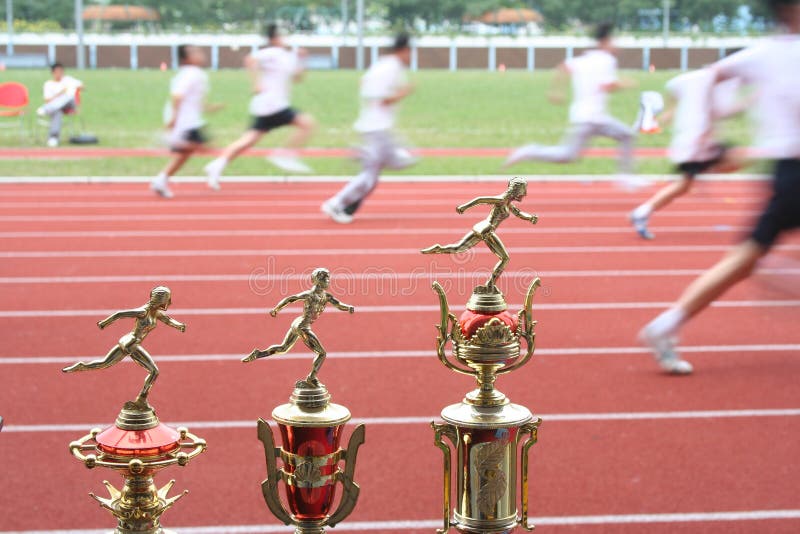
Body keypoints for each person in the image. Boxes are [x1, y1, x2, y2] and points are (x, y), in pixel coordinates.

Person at [640, 0, 800, 375]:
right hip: (793, 170)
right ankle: (668, 323)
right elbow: (712, 75)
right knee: (744, 258)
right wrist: (711, 126)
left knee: (744, 259)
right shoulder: (777, 52)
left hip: (786, 170)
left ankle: (667, 324)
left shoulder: (764, 53)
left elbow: (712, 75)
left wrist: (711, 122)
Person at [504, 23, 638, 183]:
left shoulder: (584, 59)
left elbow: (563, 67)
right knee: (569, 154)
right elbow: (607, 85)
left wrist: (556, 90)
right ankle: (529, 151)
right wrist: (626, 84)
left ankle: (626, 177)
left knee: (623, 136)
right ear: (604, 42)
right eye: (613, 41)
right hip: (593, 117)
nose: (617, 45)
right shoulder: (607, 60)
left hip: (585, 116)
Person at [629, 69, 747, 239]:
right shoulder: (724, 83)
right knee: (684, 184)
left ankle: (642, 212)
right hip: (697, 142)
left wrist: (671, 109)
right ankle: (641, 212)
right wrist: (750, 101)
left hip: (700, 139)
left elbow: (673, 85)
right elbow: (723, 112)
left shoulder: (700, 77)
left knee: (688, 183)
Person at [204, 23, 315, 187]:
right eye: (282, 36)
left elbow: (297, 78)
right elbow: (250, 60)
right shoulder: (271, 52)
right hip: (272, 104)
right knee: (307, 123)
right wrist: (256, 83)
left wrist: (302, 60)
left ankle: (216, 165)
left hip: (269, 105)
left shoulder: (287, 55)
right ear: (274, 39)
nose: (285, 39)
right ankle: (284, 155)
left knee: (249, 140)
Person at [321, 33, 417, 224]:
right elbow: (382, 98)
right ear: (404, 50)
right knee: (400, 161)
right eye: (410, 53)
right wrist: (402, 93)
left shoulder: (382, 64)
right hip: (378, 128)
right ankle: (335, 203)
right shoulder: (392, 67)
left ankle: (347, 206)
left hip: (372, 126)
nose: (411, 57)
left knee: (372, 176)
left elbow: (363, 82)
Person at [62, 286, 186, 407]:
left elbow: (168, 320)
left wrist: (180, 325)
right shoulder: (143, 312)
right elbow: (120, 314)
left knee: (104, 363)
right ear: (161, 300)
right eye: (167, 299)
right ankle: (141, 399)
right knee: (154, 371)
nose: (169, 303)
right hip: (131, 342)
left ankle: (81, 366)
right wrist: (104, 323)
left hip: (129, 341)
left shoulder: (156, 313)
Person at [242, 268, 355, 388]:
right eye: (326, 279)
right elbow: (291, 298)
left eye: (329, 279)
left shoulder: (326, 296)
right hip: (303, 327)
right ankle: (311, 378)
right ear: (318, 281)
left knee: (283, 348)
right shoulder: (310, 295)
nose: (329, 282)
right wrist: (276, 309)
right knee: (322, 353)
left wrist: (348, 307)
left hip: (298, 323)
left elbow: (338, 304)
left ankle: (258, 354)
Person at [421, 177, 538, 288]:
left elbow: (519, 213)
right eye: (523, 191)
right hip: (487, 229)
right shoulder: (501, 200)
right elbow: (480, 200)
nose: (525, 194)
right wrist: (464, 207)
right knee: (505, 258)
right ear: (515, 191)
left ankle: (438, 248)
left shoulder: (508, 203)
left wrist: (530, 217)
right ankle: (490, 284)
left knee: (459, 248)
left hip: (482, 227)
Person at [151, 44, 221, 198]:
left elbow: (193, 99)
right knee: (206, 148)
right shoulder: (193, 73)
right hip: (186, 121)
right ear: (186, 58)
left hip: (189, 119)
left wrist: (209, 108)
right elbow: (177, 96)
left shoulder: (189, 73)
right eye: (194, 52)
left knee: (187, 153)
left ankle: (161, 179)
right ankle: (171, 142)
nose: (200, 53)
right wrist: (174, 119)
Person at [37, 63, 83, 147]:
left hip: (70, 103)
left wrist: (74, 88)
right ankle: (53, 138)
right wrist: (60, 93)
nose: (60, 74)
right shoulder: (48, 84)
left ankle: (45, 109)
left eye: (61, 71)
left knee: (68, 96)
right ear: (53, 73)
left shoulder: (68, 80)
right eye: (57, 72)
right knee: (57, 111)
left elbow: (81, 86)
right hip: (55, 106)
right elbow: (47, 100)